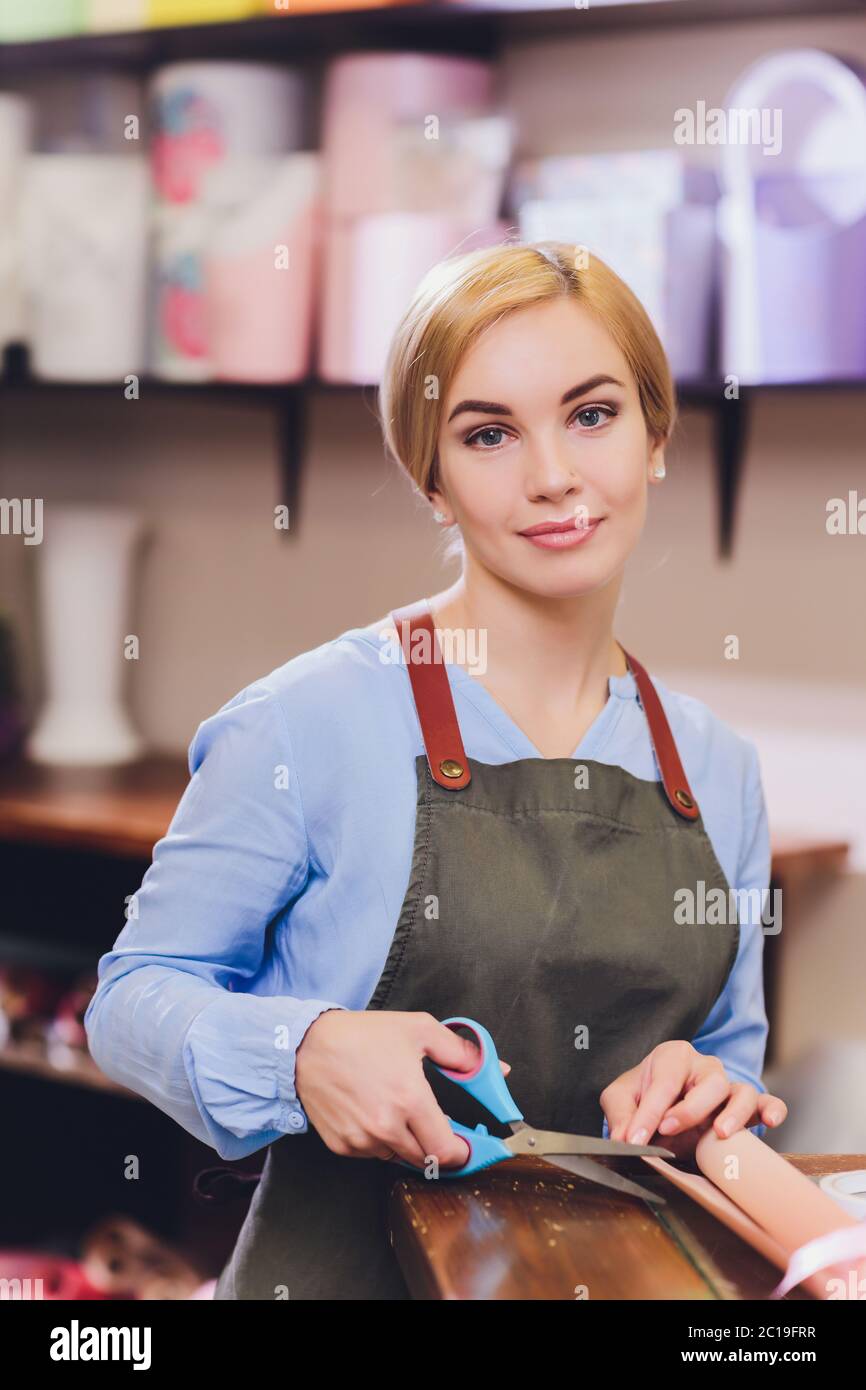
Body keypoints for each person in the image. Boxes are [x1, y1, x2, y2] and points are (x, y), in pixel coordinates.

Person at [85, 240, 786, 1300]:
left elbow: (731, 1055)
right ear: (432, 479)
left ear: (653, 435)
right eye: (488, 432)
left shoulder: (715, 770)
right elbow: (128, 1000)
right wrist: (301, 1049)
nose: (552, 474)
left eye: (590, 414)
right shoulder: (305, 722)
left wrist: (709, 1088)